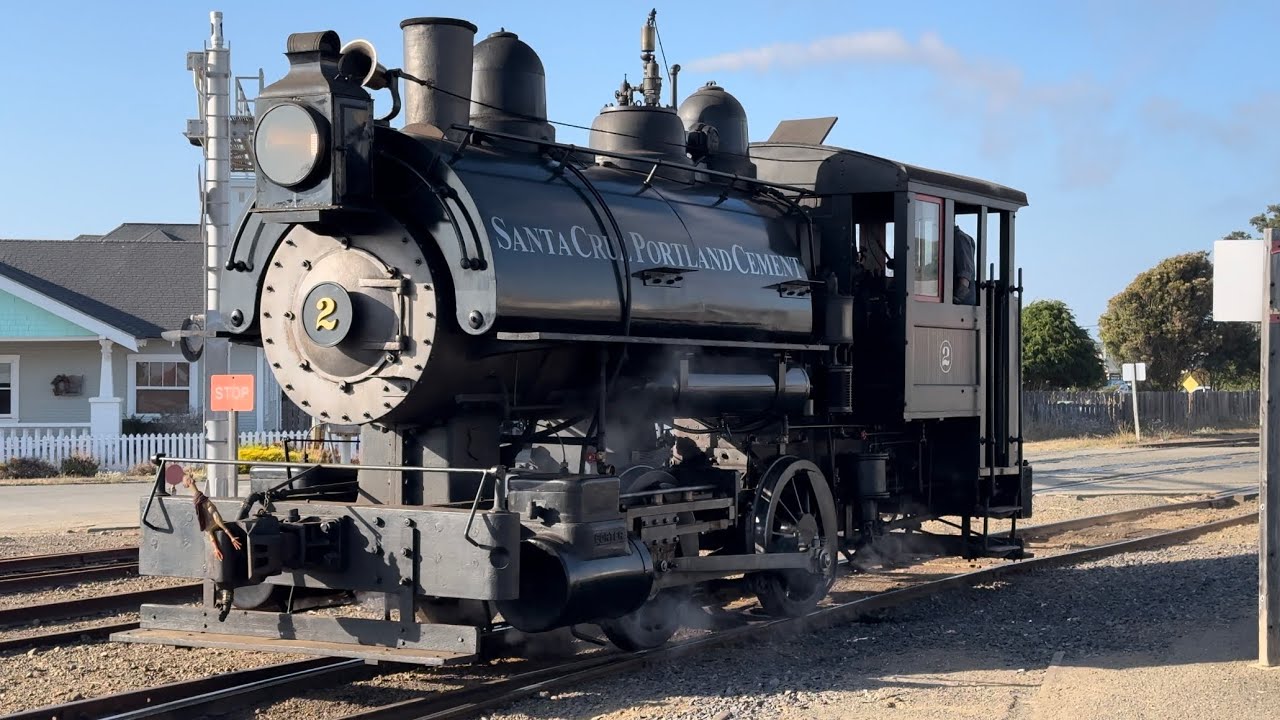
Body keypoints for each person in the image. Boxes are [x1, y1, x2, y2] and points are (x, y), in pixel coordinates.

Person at [182, 470, 242, 561]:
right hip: (210, 523)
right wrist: (216, 548)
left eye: (186, 481)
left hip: (213, 523)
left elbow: (216, 518)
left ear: (189, 481)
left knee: (212, 525)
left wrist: (231, 537)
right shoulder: (201, 503)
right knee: (210, 528)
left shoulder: (204, 503)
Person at [953, 225, 977, 305]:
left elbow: (965, 276)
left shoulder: (960, 238)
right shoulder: (946, 239)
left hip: (962, 307)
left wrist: (956, 299)